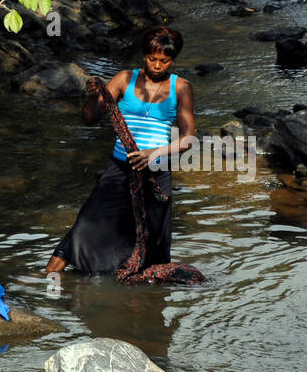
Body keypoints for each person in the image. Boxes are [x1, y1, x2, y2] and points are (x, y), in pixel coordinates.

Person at [45, 26, 196, 276]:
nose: (157, 65)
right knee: (86, 224)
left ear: (173, 60)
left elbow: (189, 138)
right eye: (152, 59)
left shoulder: (181, 87)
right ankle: (47, 278)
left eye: (164, 61)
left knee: (152, 239)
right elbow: (89, 118)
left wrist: (155, 153)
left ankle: (141, 297)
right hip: (119, 168)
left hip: (156, 172)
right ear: (144, 56)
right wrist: (93, 96)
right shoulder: (125, 79)